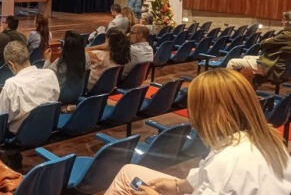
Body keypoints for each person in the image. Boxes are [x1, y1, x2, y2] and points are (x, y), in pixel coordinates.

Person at [104, 68, 291, 195]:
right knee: (128, 172)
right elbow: (210, 175)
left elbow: (220, 176)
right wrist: (179, 186)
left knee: (126, 181)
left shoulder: (229, 161)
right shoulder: (268, 140)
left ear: (207, 112)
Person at [0, 41, 60, 133]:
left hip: (21, 135)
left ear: (11, 64)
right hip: (46, 128)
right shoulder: (50, 74)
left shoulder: (12, 84)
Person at [227, 10, 291, 88]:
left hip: (271, 66)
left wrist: (268, 40)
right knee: (247, 57)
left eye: (284, 20)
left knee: (232, 62)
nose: (282, 22)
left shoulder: (286, 35)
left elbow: (263, 44)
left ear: (289, 22)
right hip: (280, 65)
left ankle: (227, 88)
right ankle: (248, 84)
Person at [43, 31, 87, 105]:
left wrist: (47, 60)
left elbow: (43, 77)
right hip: (76, 96)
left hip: (60, 100)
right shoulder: (86, 60)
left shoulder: (59, 64)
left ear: (65, 48)